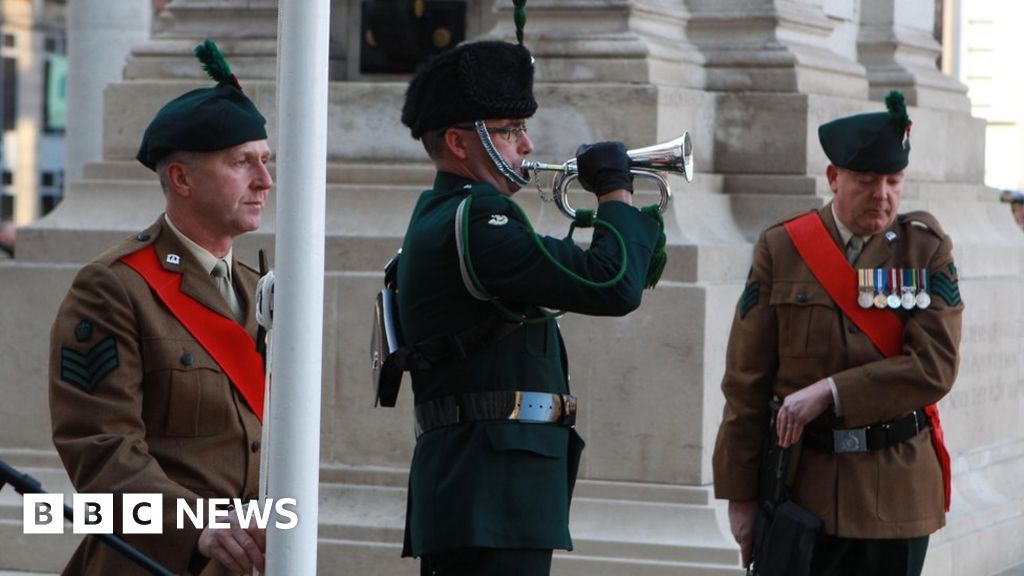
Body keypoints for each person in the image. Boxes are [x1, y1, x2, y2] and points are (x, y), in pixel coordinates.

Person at [396, 40, 667, 575]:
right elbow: (613, 283)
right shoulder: (479, 218)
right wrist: (614, 190)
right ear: (458, 141)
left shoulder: (459, 213)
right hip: (489, 488)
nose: (527, 144)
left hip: (490, 485)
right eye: (509, 130)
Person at [712, 92, 963, 576]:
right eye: (867, 181)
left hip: (898, 495)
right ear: (833, 178)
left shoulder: (926, 250)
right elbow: (746, 381)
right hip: (804, 495)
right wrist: (740, 496)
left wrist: (829, 393)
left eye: (894, 181)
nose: (882, 195)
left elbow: (935, 366)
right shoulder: (783, 247)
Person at [49, 40, 271, 576]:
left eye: (265, 161)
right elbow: (100, 446)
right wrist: (198, 528)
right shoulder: (114, 288)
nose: (264, 181)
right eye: (242, 163)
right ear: (181, 179)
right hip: (154, 562)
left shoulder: (257, 287)